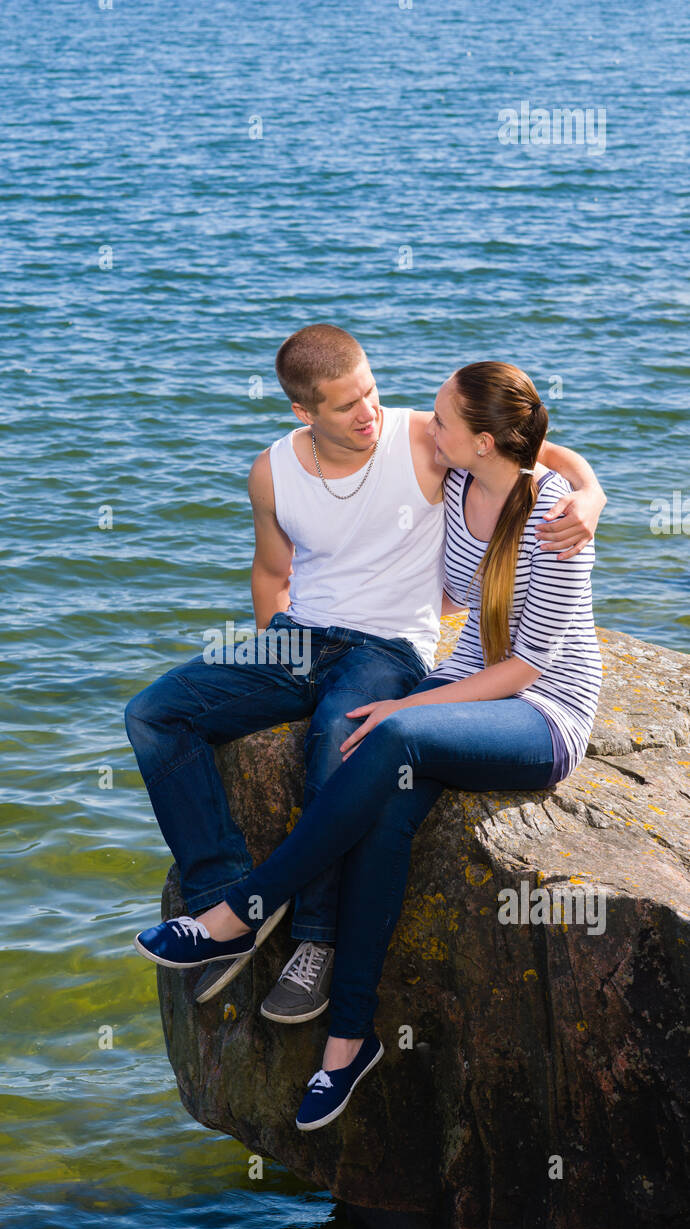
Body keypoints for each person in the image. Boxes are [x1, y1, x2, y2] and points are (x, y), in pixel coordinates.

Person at [135, 362, 604, 1132]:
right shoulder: (456, 485)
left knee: (383, 731)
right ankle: (347, 1045)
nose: (420, 423)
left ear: (480, 440)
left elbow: (528, 666)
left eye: (443, 418)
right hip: (462, 687)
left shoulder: (555, 521)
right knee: (383, 821)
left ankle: (246, 909)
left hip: (542, 713)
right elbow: (530, 455)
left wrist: (404, 705)